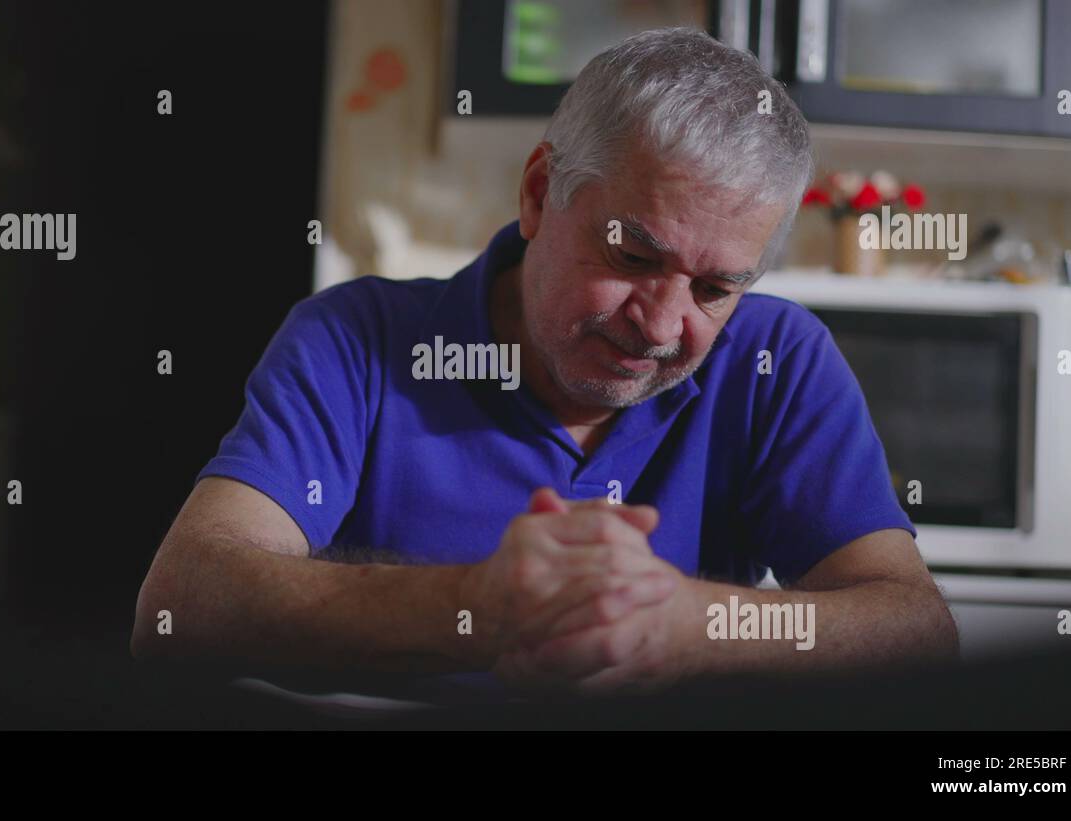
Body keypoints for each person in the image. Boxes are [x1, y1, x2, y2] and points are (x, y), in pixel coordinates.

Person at [131, 27, 958, 696]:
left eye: (714, 288)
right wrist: (477, 608)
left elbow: (915, 631)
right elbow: (183, 603)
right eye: (632, 256)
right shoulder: (353, 338)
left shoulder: (781, 360)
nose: (660, 324)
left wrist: (688, 626)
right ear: (538, 192)